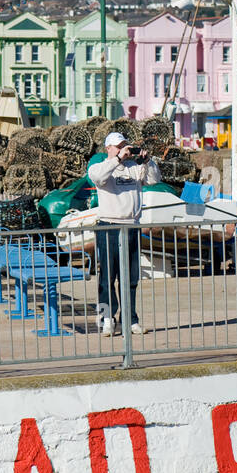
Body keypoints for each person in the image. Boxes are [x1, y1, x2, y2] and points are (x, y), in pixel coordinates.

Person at [88, 131, 162, 336]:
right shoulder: (100, 167)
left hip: (131, 225)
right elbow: (97, 177)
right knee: (107, 277)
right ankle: (106, 318)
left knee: (130, 278)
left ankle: (130, 319)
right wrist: (118, 159)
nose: (123, 150)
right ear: (108, 149)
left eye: (125, 146)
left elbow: (154, 180)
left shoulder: (134, 167)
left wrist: (148, 161)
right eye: (118, 146)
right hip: (109, 225)